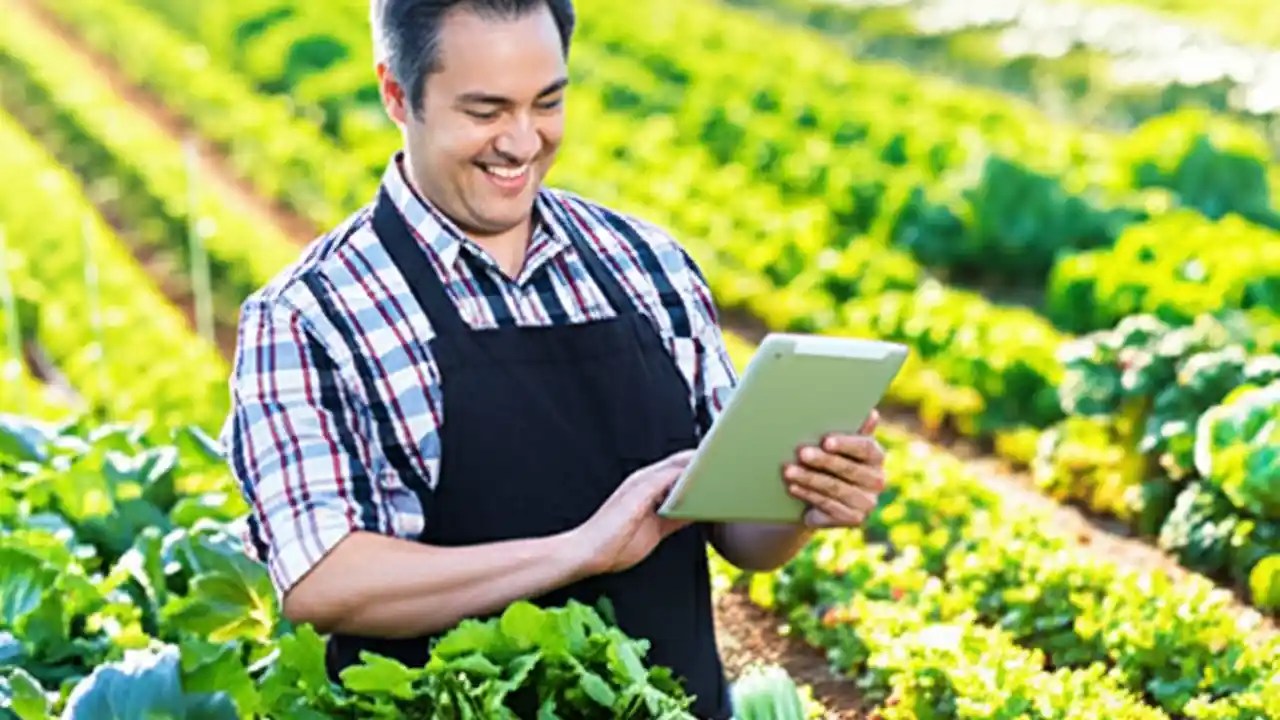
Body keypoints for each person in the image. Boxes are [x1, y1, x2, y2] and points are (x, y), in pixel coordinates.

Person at [219, 1, 888, 717]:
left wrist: (800, 497)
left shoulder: (646, 265)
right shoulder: (311, 314)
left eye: (548, 102)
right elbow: (326, 580)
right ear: (396, 94)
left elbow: (739, 534)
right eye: (485, 111)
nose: (521, 141)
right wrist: (579, 550)